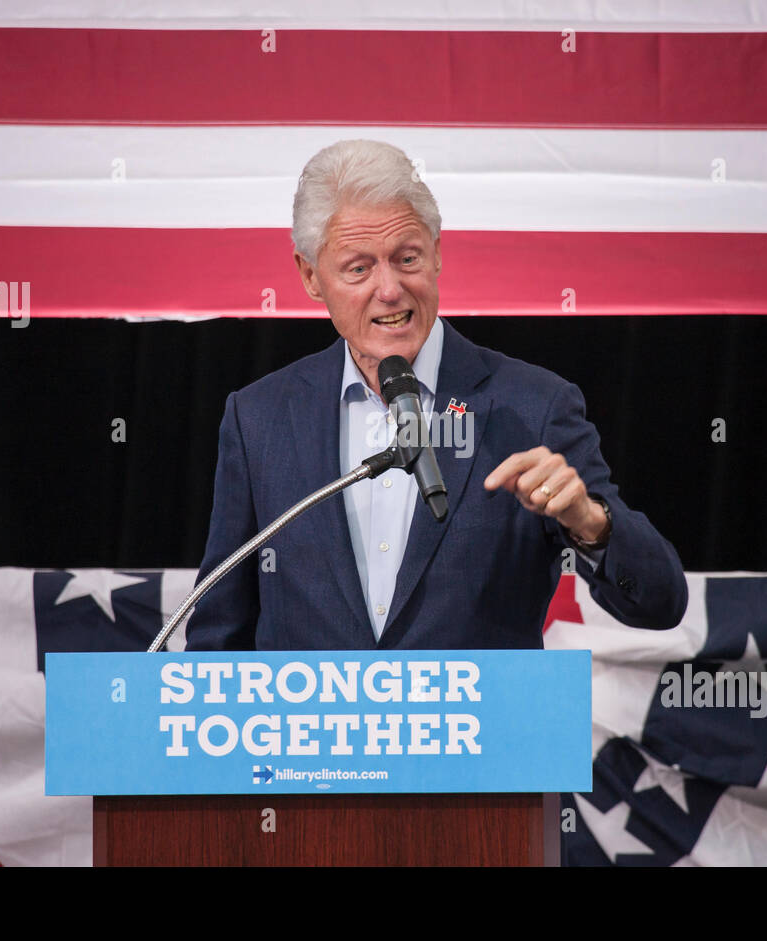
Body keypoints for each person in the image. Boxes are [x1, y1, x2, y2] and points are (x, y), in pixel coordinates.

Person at [185, 140, 686, 651]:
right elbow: (219, 631)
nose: (390, 289)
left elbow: (661, 602)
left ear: (437, 252)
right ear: (311, 276)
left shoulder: (532, 407)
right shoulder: (260, 418)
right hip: (306, 731)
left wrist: (589, 521)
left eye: (407, 258)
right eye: (358, 268)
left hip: (476, 729)